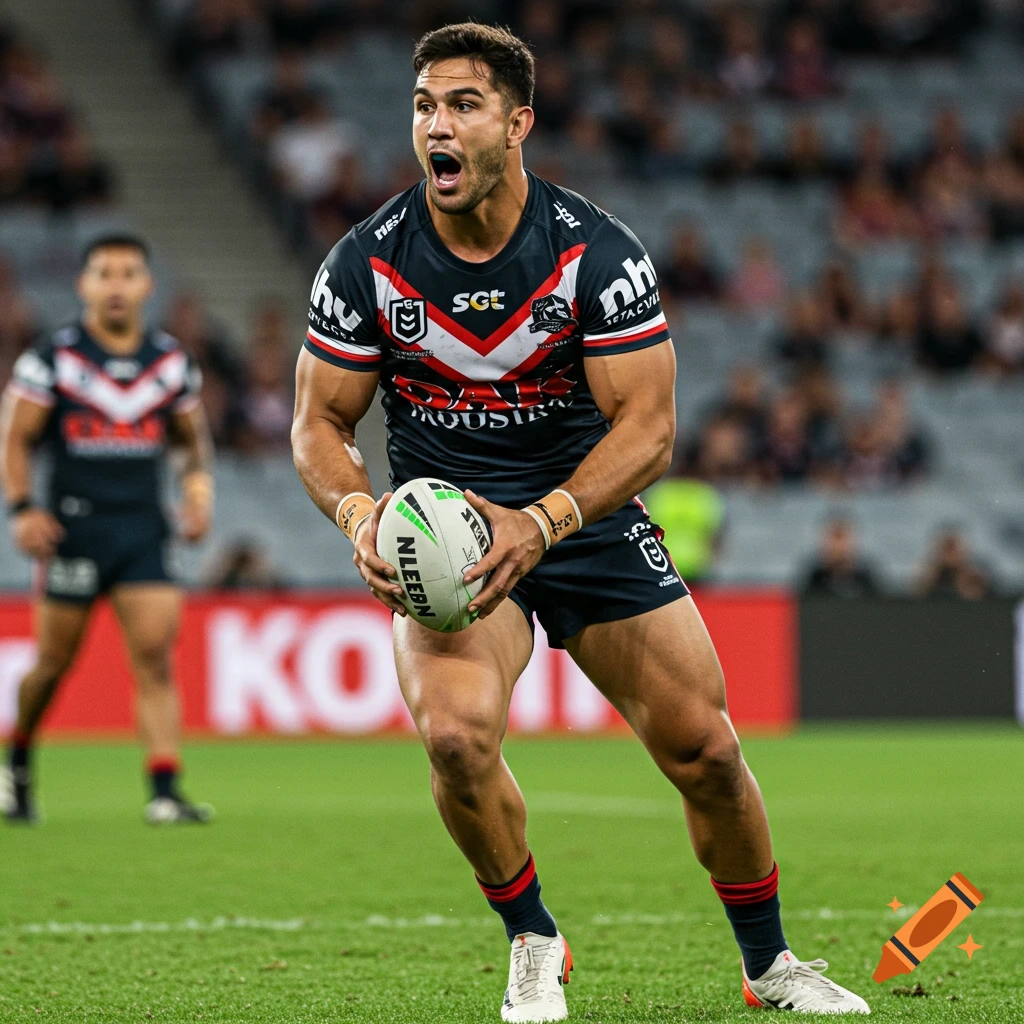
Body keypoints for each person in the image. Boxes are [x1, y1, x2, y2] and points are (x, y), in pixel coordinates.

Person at [290, 23, 870, 1020]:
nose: (438, 123)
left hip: (584, 518)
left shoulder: (593, 254)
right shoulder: (366, 263)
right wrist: (357, 511)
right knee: (458, 742)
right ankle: (532, 937)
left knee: (708, 751)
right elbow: (317, 423)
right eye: (425, 104)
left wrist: (545, 519)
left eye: (463, 104)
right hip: (454, 540)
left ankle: (768, 963)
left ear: (517, 123)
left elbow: (649, 430)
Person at [0, 235, 215, 825]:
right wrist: (22, 508)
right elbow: (16, 438)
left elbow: (192, 447)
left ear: (147, 285)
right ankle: (16, 763)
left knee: (154, 658)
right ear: (84, 285)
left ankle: (165, 789)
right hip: (73, 530)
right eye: (104, 273)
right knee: (53, 664)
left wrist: (197, 496)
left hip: (143, 529)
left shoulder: (171, 364)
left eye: (128, 273)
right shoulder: (54, 358)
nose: (116, 285)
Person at [801, 519, 879, 597]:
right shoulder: (813, 581)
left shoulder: (866, 581)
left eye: (841, 538)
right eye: (833, 538)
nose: (837, 546)